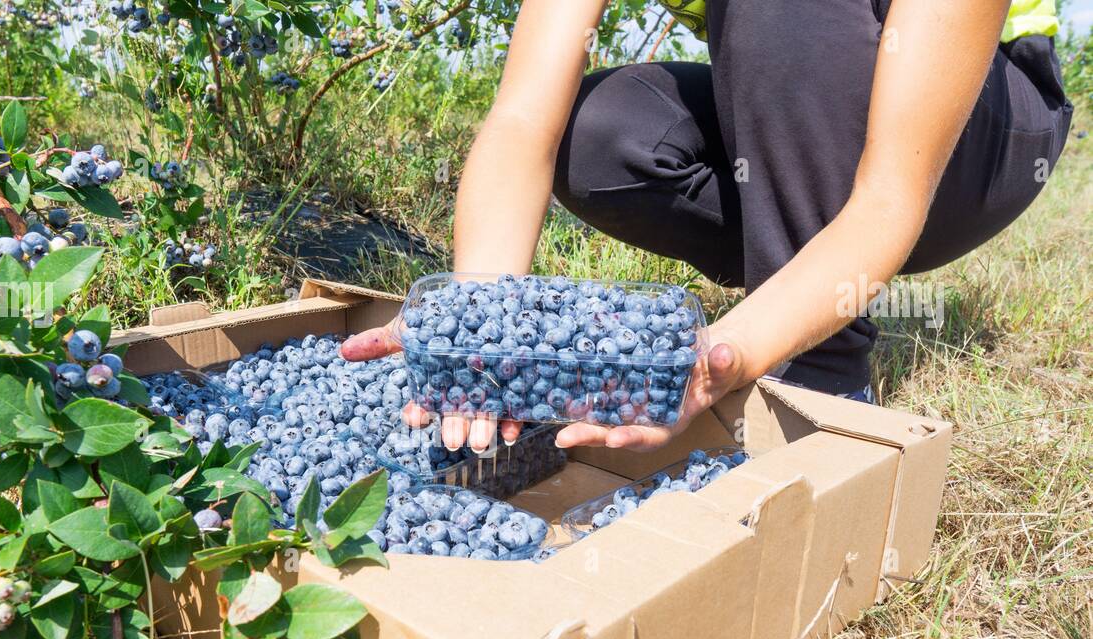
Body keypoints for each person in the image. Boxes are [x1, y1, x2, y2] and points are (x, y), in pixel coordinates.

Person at [342, 0, 1073, 453]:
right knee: (599, 136)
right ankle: (783, 271)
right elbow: (525, 117)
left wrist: (725, 356)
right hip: (811, 118)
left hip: (975, 134)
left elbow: (890, 196)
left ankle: (820, 376)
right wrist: (479, 311)